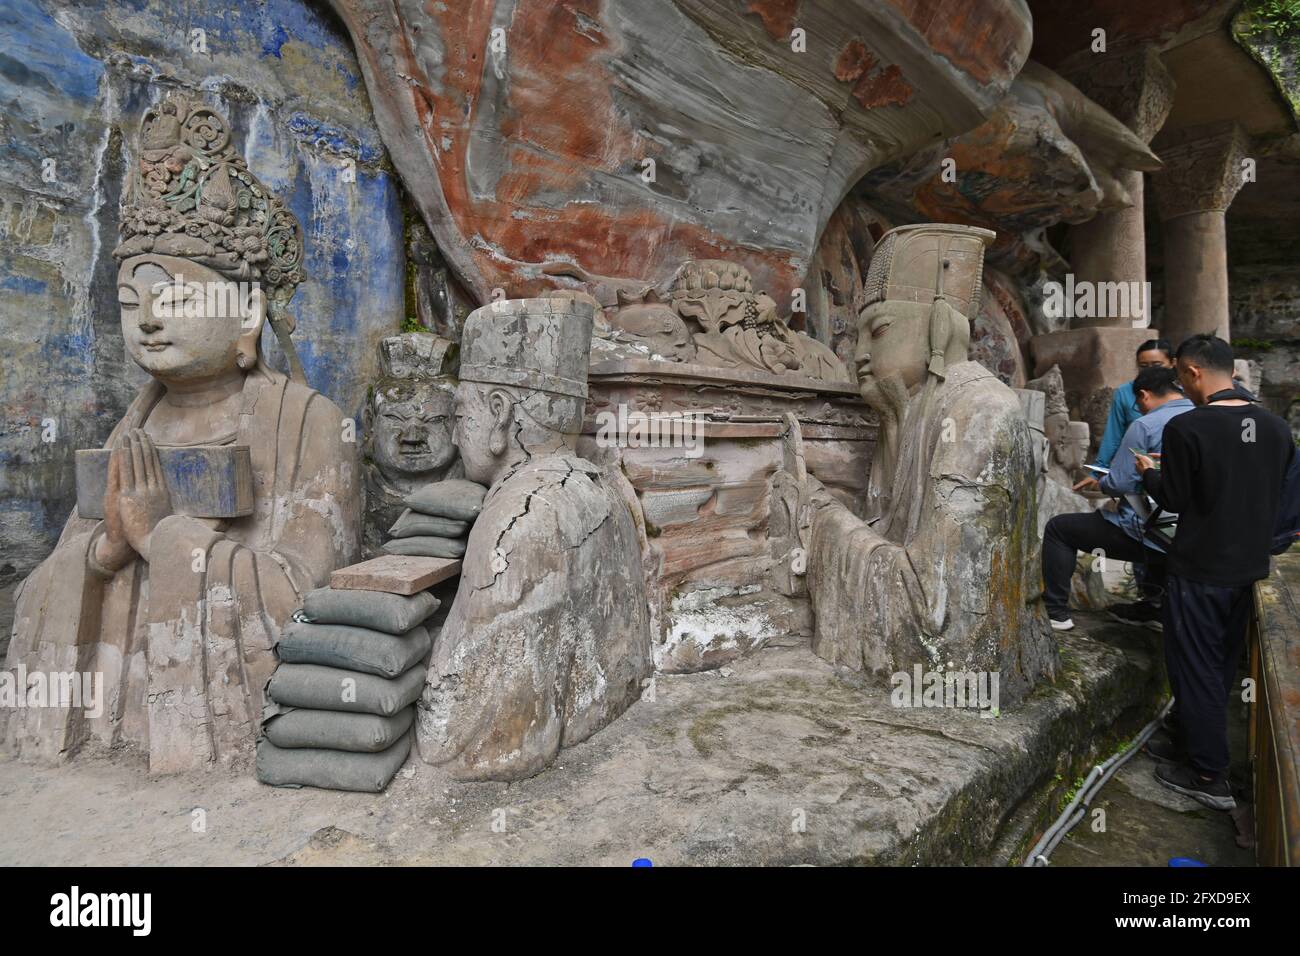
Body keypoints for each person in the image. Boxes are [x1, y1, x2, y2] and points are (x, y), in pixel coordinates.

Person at [1136, 334, 1294, 810]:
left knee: (1194, 666)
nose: (1182, 384)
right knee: (1220, 664)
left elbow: (1176, 499)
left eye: (1181, 375)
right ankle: (1193, 743)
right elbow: (1283, 502)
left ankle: (1208, 775)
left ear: (1192, 371)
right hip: (1247, 568)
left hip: (1200, 569)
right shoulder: (1274, 427)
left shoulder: (1190, 428)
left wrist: (1149, 473)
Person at [1043, 366, 1193, 631]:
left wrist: (1104, 481)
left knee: (1059, 528)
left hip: (1154, 529)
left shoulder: (1145, 426)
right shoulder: (1202, 416)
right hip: (1194, 531)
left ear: (1144, 395)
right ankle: (1155, 606)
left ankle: (1056, 613)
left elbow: (1121, 482)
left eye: (1138, 403)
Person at [1078, 338, 1174, 476]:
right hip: (1137, 467)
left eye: (1157, 365)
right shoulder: (1125, 392)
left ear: (1172, 363)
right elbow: (1113, 435)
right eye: (1144, 366)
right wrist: (1098, 470)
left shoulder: (1183, 391)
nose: (1150, 371)